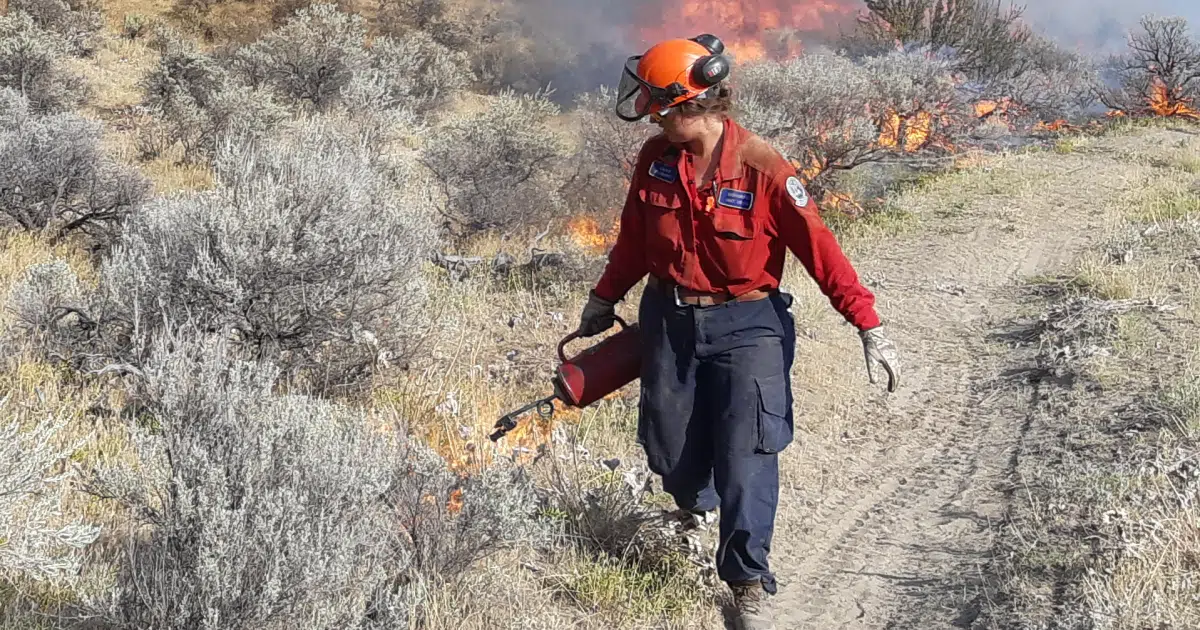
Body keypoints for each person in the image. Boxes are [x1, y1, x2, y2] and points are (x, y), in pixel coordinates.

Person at [576, 34, 902, 630]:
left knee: (746, 452)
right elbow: (634, 240)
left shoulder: (764, 167)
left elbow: (820, 250)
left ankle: (747, 582)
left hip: (748, 324)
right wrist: (603, 298)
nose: (650, 115)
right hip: (669, 318)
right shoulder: (655, 159)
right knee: (668, 449)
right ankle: (695, 508)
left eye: (658, 105)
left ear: (689, 105)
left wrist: (867, 325)